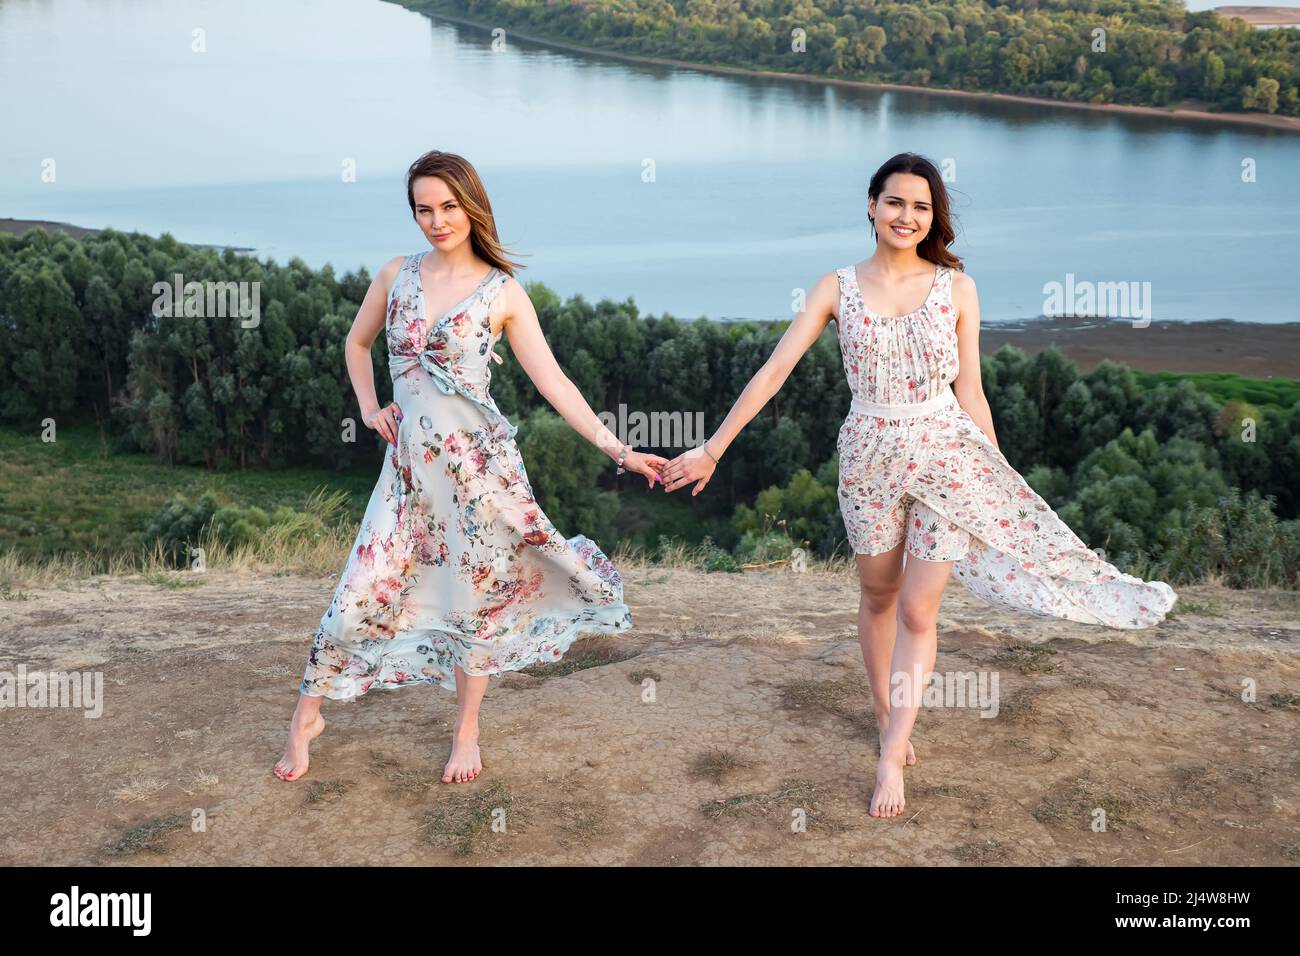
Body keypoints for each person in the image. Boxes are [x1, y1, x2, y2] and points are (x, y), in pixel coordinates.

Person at [658, 152, 1177, 819]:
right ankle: (885, 715)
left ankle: (892, 751)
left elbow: (973, 391)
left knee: (917, 611)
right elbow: (772, 373)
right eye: (896, 202)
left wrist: (994, 472)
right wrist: (712, 449)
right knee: (878, 598)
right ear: (871, 206)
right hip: (869, 460)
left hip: (946, 458)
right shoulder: (834, 288)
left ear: (935, 217)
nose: (907, 216)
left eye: (922, 206)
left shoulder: (957, 288)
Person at [274, 150, 667, 784]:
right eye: (423, 210)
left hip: (480, 475)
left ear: (472, 205)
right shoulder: (395, 275)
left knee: (476, 602)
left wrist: (620, 451)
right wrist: (371, 406)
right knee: (356, 598)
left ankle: (466, 729)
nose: (436, 221)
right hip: (407, 478)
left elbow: (555, 384)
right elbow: (356, 342)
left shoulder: (502, 292)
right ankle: (306, 717)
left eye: (448, 207)